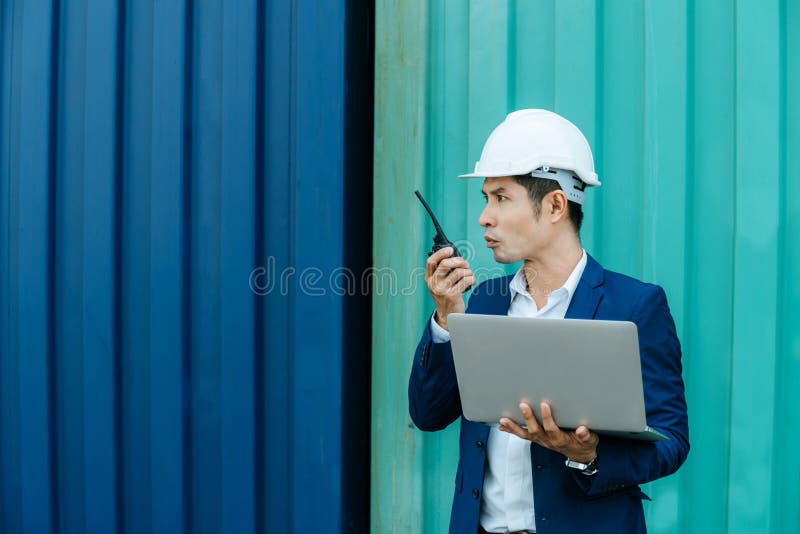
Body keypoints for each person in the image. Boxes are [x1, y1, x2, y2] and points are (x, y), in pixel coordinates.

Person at [408, 109, 689, 534]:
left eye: (501, 198)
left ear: (556, 204)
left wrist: (589, 453)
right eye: (485, 199)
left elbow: (670, 441)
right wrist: (447, 316)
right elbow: (428, 414)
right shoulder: (484, 300)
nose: (485, 217)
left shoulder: (635, 306)